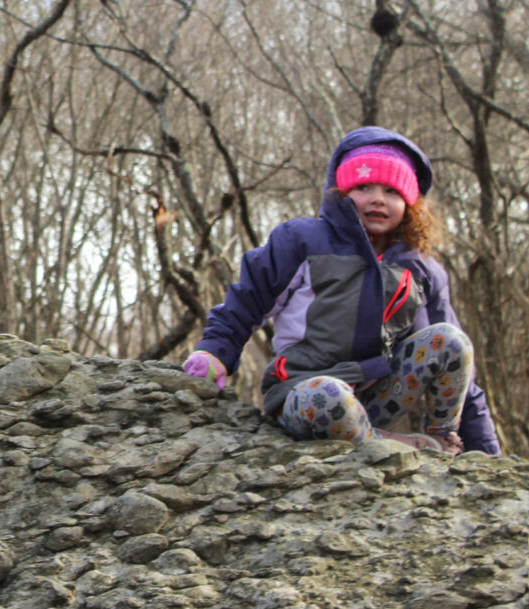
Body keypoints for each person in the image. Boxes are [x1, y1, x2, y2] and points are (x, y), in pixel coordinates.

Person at [183, 126, 502, 455]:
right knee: (328, 394)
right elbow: (246, 302)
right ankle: (385, 445)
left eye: (391, 191)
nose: (377, 198)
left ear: (409, 203)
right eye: (363, 186)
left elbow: (460, 372)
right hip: (304, 394)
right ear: (342, 192)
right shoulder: (303, 240)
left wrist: (488, 454)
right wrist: (215, 353)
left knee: (451, 340)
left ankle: (444, 444)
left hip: (373, 398)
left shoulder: (420, 270)